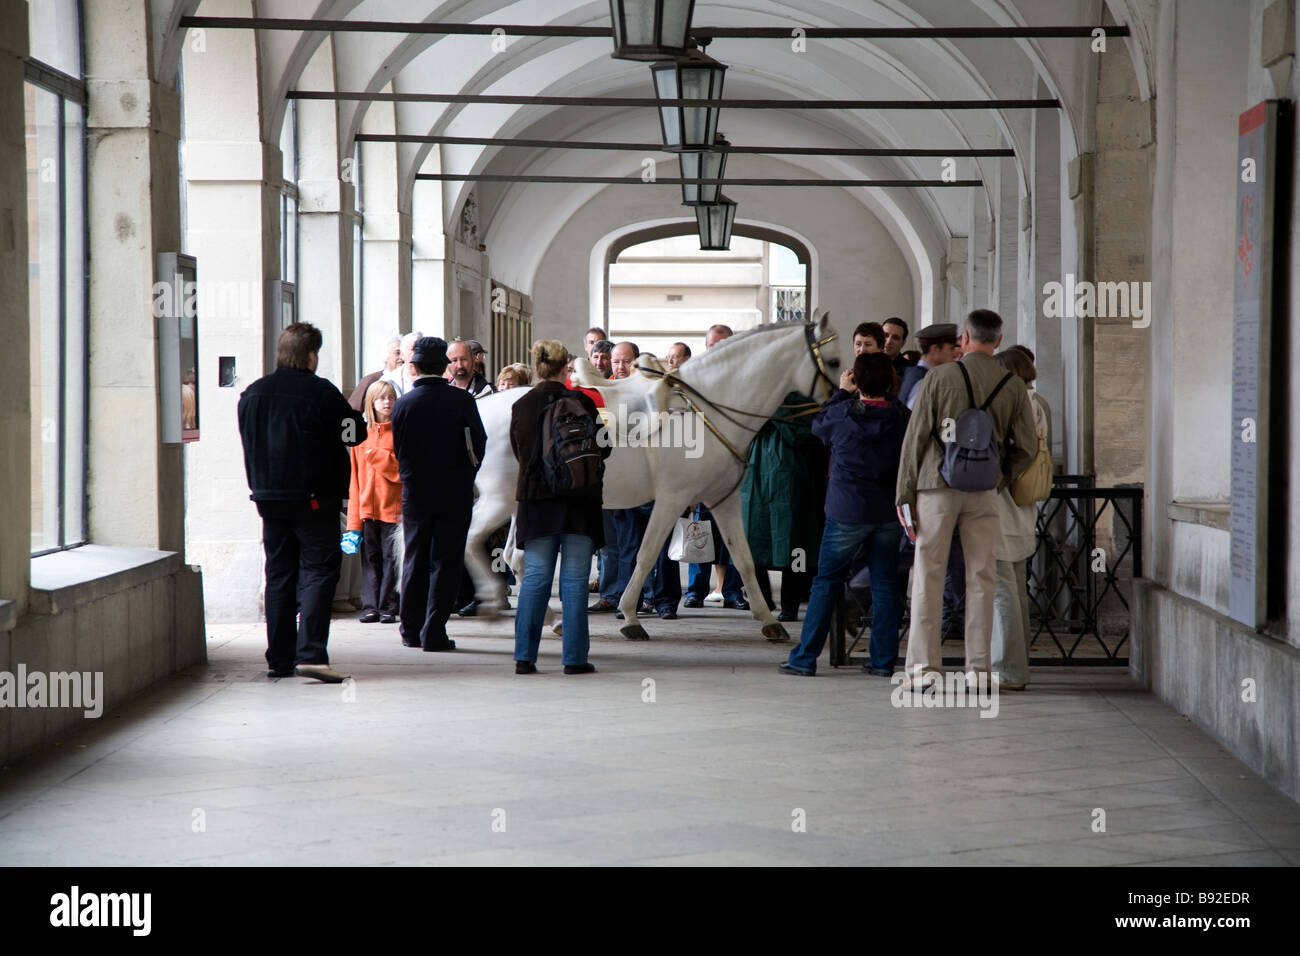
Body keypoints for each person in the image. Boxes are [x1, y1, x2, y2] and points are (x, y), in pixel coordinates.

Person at [895, 309, 1038, 683]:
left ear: (964, 337)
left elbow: (915, 439)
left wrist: (904, 493)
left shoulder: (940, 377)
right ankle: (978, 671)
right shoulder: (1011, 384)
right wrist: (999, 478)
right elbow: (1026, 446)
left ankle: (924, 670)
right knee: (981, 577)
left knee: (929, 575)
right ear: (999, 339)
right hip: (984, 490)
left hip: (936, 487)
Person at [237, 322, 365, 683]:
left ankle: (279, 658)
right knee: (318, 571)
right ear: (311, 355)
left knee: (279, 573)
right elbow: (354, 434)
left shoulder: (252, 394)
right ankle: (310, 654)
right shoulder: (320, 393)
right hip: (312, 498)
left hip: (268, 497)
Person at [780, 353, 909, 677]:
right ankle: (882, 661)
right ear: (891, 381)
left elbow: (818, 427)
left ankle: (805, 658)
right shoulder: (902, 417)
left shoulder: (841, 414)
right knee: (884, 584)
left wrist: (840, 391)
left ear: (857, 381)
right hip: (887, 511)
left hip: (846, 510)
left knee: (826, 582)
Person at [510, 340, 612, 674]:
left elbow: (520, 452)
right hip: (580, 502)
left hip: (538, 502)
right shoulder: (582, 401)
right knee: (575, 581)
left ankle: (525, 657)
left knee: (536, 578)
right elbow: (605, 448)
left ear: (536, 366)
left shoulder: (522, 405)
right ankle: (575, 659)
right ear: (566, 365)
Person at [391, 336, 487, 651]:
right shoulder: (462, 401)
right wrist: (465, 476)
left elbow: (399, 451)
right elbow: (479, 445)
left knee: (415, 557)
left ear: (414, 366)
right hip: (454, 492)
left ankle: (409, 628)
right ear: (445, 367)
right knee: (446, 561)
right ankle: (434, 632)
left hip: (416, 492)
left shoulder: (404, 403)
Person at [991, 348, 1049, 691]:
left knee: (1001, 589)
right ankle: (1016, 664)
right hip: (1023, 505)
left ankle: (1008, 670)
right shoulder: (1036, 401)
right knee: (1014, 588)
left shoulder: (1015, 403)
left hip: (1005, 503)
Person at [743, 391, 827, 623]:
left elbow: (804, 433)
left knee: (794, 544)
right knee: (753, 539)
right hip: (757, 474)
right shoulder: (757, 395)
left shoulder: (801, 399)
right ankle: (762, 598)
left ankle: (790, 604)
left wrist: (774, 407)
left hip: (791, 476)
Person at [345, 380, 402, 624]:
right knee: (370, 560)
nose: (387, 402)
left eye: (390, 397)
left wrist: (379, 457)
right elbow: (354, 482)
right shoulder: (360, 436)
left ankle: (389, 605)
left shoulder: (401, 432)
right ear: (371, 402)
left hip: (394, 509)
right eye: (381, 398)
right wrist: (352, 525)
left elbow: (403, 472)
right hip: (368, 509)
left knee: (391, 560)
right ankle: (370, 606)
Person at [898, 323, 959, 410]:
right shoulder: (923, 381)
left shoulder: (919, 374)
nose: (954, 354)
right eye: (951, 348)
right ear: (934, 349)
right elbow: (913, 419)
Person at [349, 335, 401, 411]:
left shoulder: (411, 380)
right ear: (386, 356)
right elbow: (353, 410)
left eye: (403, 353)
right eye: (397, 353)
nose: (402, 357)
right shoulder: (371, 380)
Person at [381, 331, 423, 397]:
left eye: (420, 349)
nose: (416, 353)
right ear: (402, 354)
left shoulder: (435, 378)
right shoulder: (390, 380)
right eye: (413, 349)